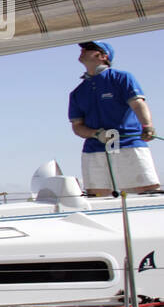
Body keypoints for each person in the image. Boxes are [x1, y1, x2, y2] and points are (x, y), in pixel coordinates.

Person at [68, 41, 159, 196]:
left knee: (147, 192)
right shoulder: (77, 92)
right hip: (95, 150)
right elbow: (77, 126)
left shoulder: (122, 78)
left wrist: (147, 126)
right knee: (97, 197)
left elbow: (138, 104)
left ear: (103, 56)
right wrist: (96, 134)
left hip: (129, 144)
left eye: (89, 48)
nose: (82, 50)